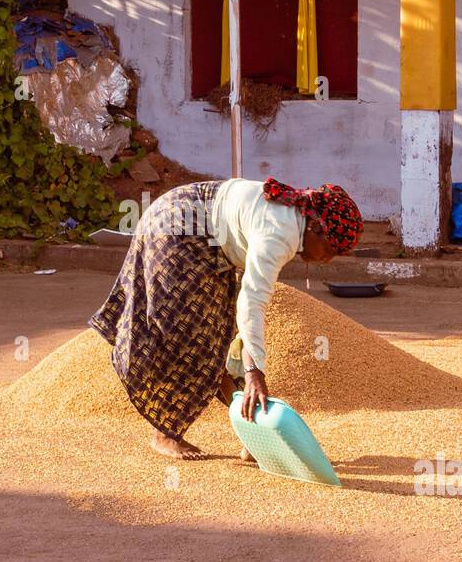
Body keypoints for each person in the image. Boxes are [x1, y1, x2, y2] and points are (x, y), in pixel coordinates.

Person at [89, 176, 363, 459]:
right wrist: (255, 372)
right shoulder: (279, 235)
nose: (328, 260)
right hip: (178, 228)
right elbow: (252, 303)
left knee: (219, 331)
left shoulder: (292, 219)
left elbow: (245, 307)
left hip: (204, 236)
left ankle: (252, 434)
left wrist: (250, 364)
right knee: (189, 331)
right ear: (316, 228)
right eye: (331, 249)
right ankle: (165, 433)